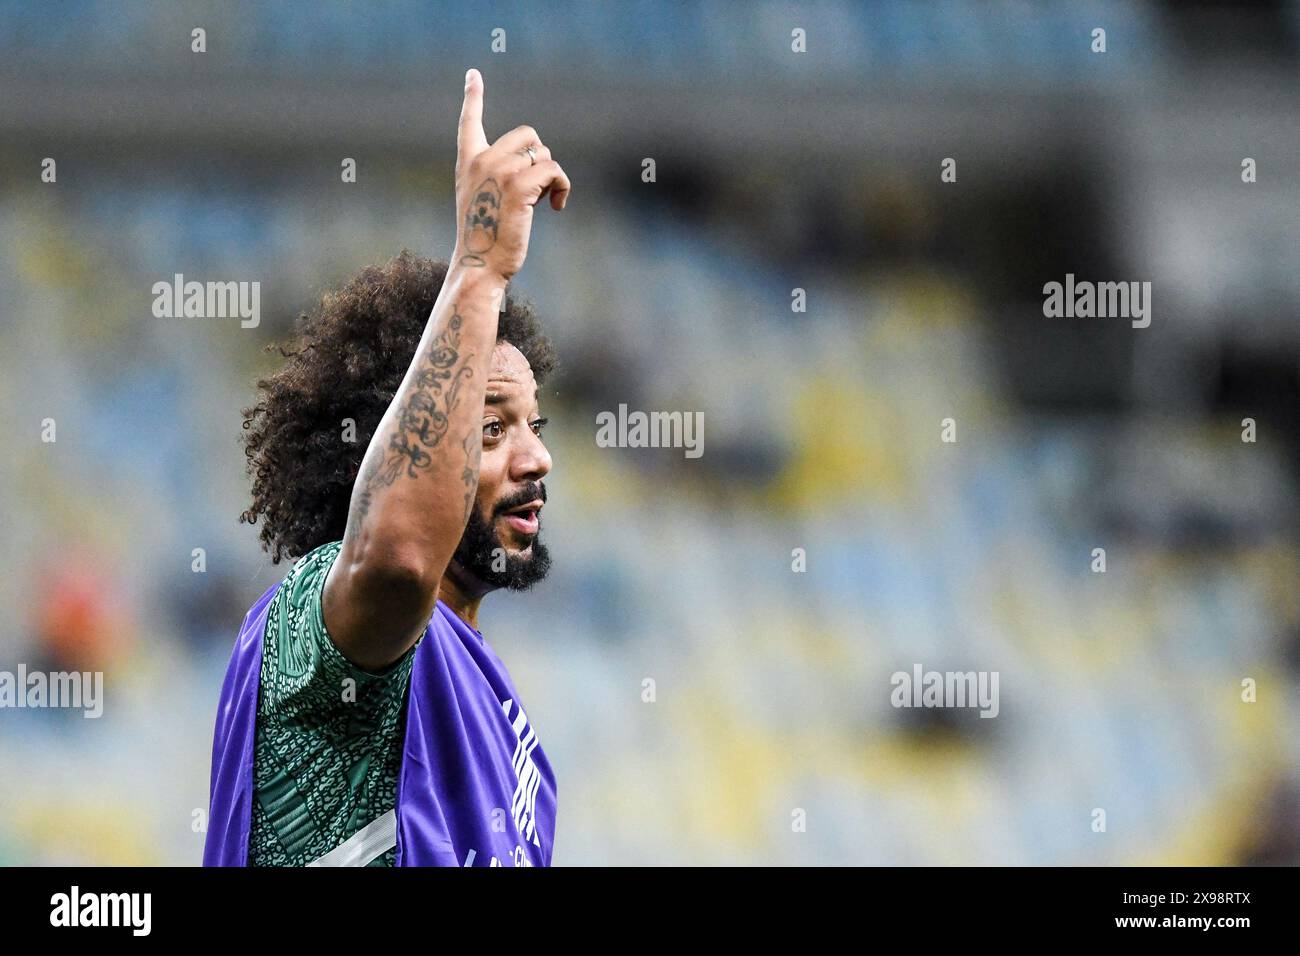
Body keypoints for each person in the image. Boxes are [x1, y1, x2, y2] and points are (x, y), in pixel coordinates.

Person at [203, 68, 570, 867]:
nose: (537, 455)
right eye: (492, 428)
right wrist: (479, 268)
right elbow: (401, 558)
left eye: (532, 426)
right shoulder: (321, 623)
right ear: (382, 450)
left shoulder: (515, 748)